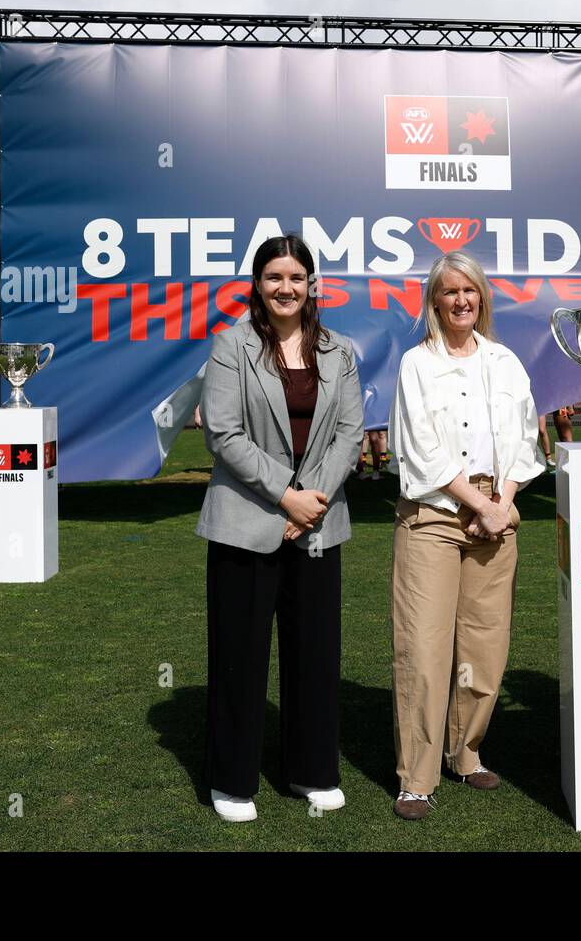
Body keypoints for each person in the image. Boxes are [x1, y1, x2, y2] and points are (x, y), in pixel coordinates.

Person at [195, 234, 364, 822]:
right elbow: (223, 433)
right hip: (245, 524)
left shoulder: (339, 351)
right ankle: (231, 780)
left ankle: (311, 771)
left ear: (310, 284)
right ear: (257, 285)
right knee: (239, 655)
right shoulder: (229, 347)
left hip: (318, 524)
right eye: (274, 277)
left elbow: (348, 433)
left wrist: (310, 503)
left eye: (295, 277)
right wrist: (286, 496)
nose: (285, 288)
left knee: (314, 653)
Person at [387, 251, 546, 820]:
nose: (461, 301)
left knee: (484, 645)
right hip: (434, 515)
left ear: (482, 299)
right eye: (449, 292)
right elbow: (419, 448)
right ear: (434, 301)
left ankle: (466, 751)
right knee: (425, 650)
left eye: (470, 291)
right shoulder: (416, 363)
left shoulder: (505, 362)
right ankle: (416, 776)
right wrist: (480, 503)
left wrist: (501, 505)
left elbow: (526, 440)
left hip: (496, 516)